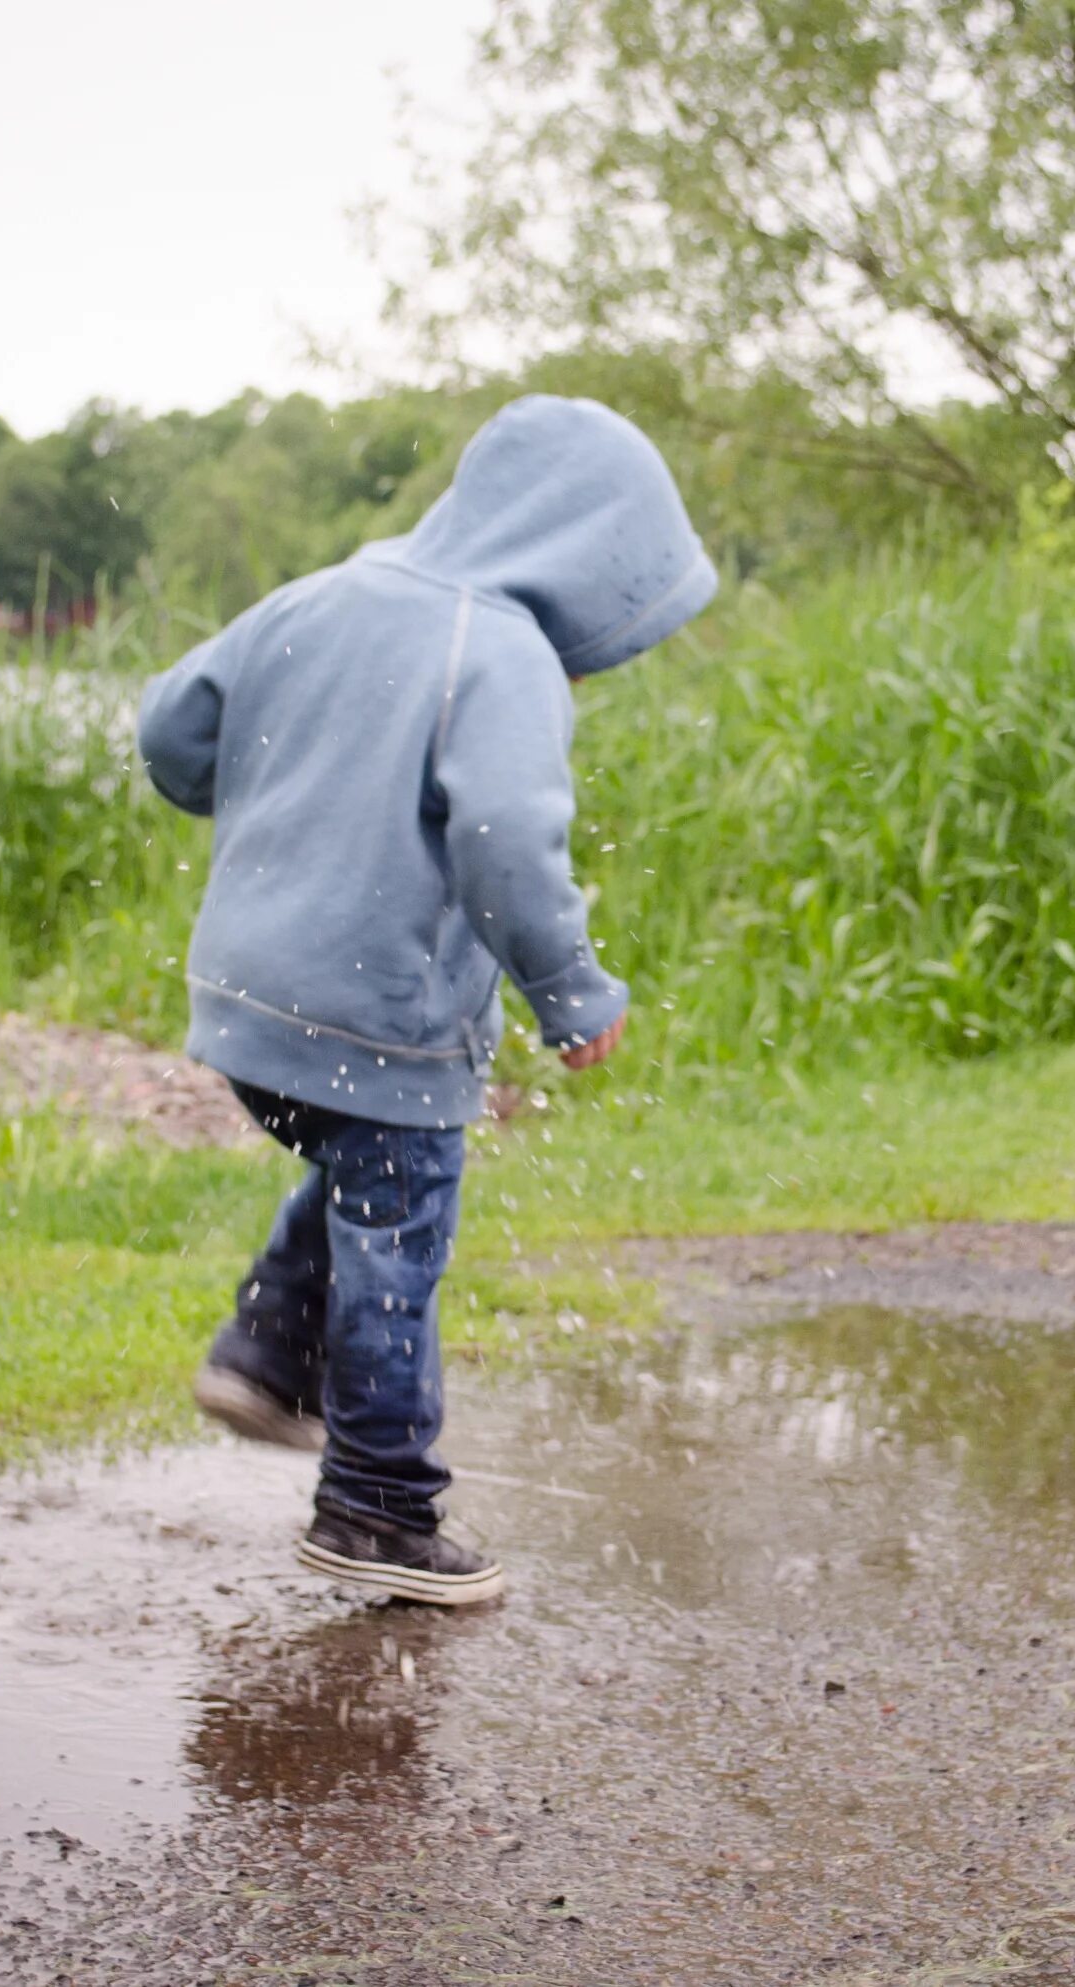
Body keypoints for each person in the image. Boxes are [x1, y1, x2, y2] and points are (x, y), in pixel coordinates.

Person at [136, 395, 716, 1607]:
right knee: (400, 1226)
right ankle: (378, 1506)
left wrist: (271, 802)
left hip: (246, 1000)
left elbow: (171, 728)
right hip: (382, 1011)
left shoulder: (318, 595)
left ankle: (266, 1348)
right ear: (581, 548)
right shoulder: (493, 645)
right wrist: (572, 992)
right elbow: (506, 840)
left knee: (363, 1169)